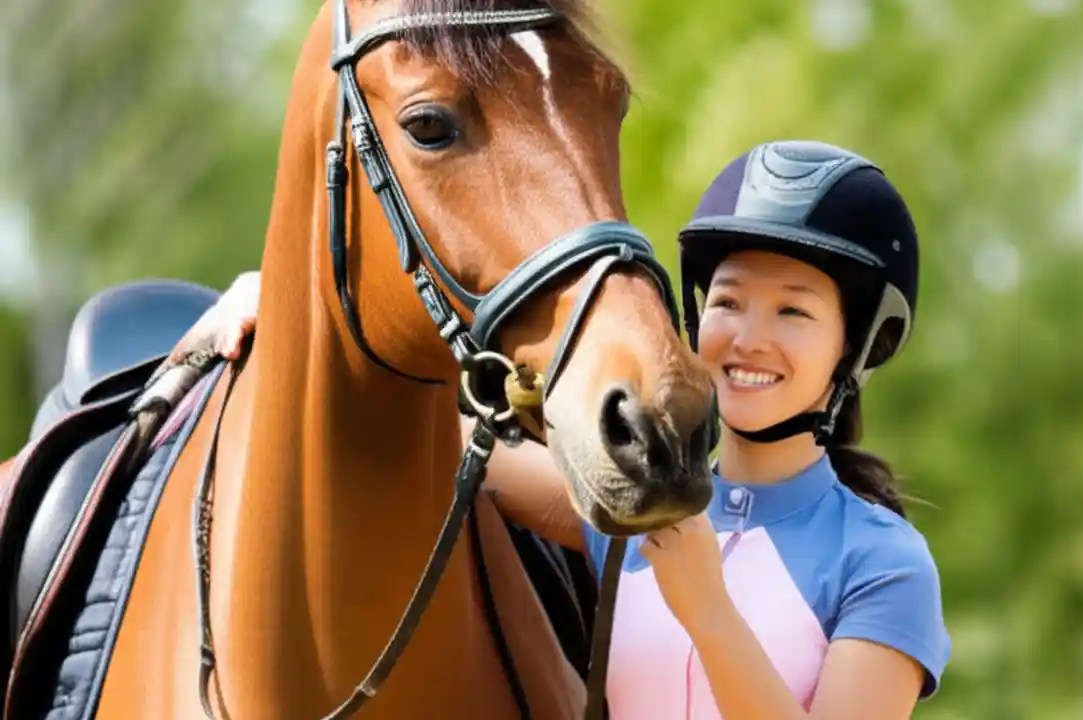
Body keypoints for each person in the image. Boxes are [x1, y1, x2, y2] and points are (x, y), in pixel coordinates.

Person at [167, 140, 950, 719]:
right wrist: (296, 312)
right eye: (729, 301)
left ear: (858, 345)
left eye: (794, 310)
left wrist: (709, 612)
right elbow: (435, 437)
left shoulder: (883, 563)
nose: (747, 336)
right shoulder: (628, 508)